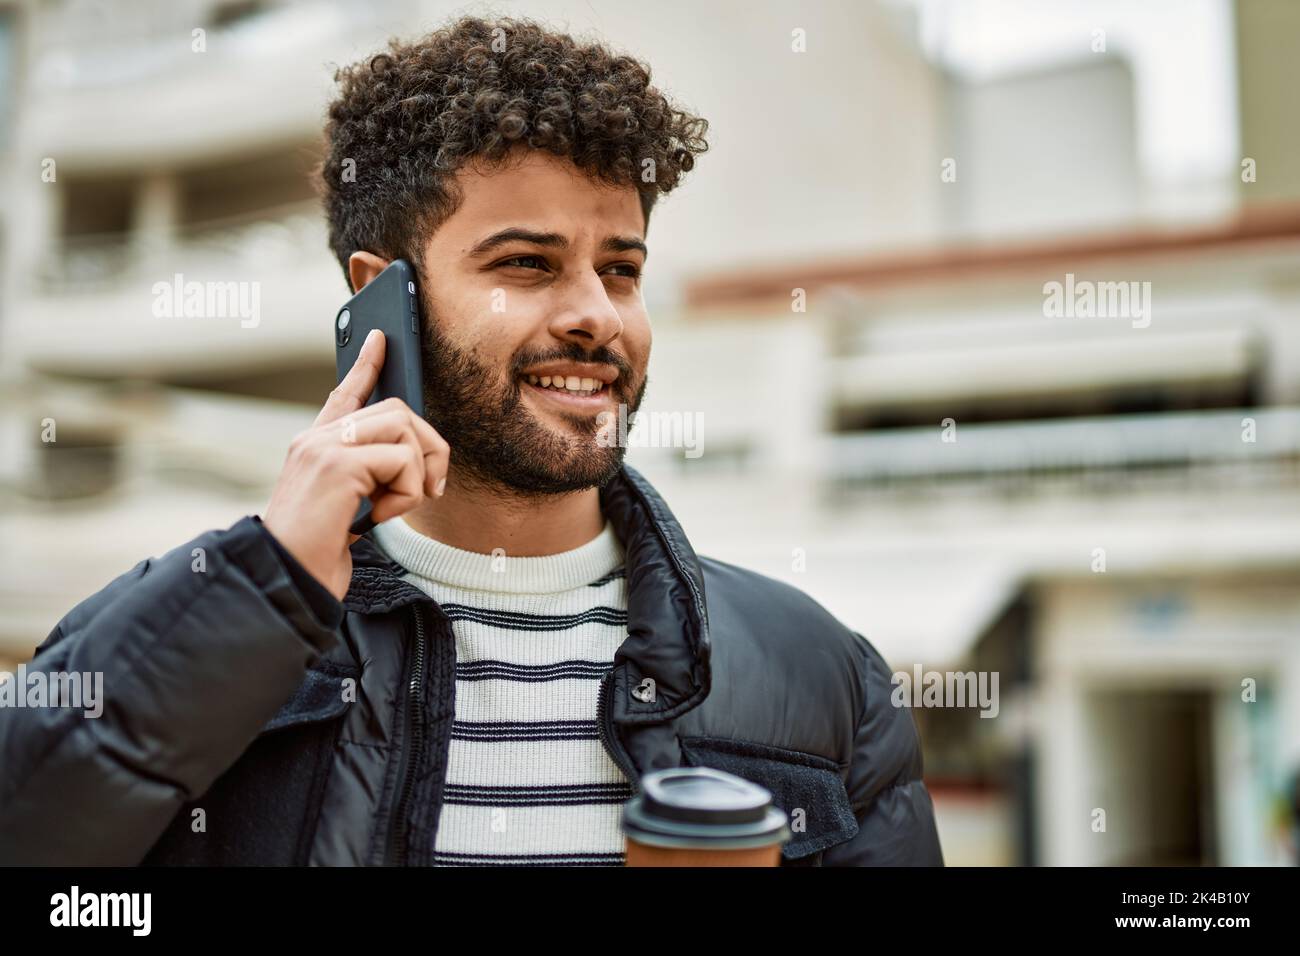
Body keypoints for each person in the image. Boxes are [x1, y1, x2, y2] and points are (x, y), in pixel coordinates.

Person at [0, 14, 943, 866]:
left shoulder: (824, 676)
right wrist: (262, 587)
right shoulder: (209, 632)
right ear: (384, 298)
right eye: (527, 264)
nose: (595, 318)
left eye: (621, 270)